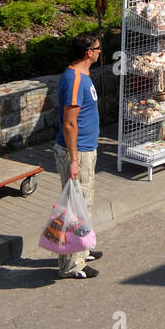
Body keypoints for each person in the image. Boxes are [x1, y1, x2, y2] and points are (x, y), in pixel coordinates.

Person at [54, 33, 103, 279]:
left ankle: (81, 249)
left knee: (84, 203)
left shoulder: (83, 76)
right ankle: (72, 265)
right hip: (77, 152)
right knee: (76, 206)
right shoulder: (74, 79)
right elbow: (69, 124)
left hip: (85, 150)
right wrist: (74, 161)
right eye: (97, 48)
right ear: (88, 53)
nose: (99, 52)